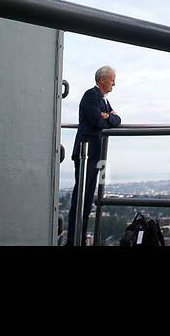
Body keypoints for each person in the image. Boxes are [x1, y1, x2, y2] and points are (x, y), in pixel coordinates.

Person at [65, 65, 121, 246]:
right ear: (103, 80)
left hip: (93, 155)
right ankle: (73, 240)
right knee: (80, 197)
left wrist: (108, 116)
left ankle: (79, 239)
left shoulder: (103, 100)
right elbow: (97, 120)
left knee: (88, 199)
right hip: (85, 153)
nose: (115, 83)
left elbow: (117, 120)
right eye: (112, 80)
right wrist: (106, 117)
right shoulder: (91, 95)